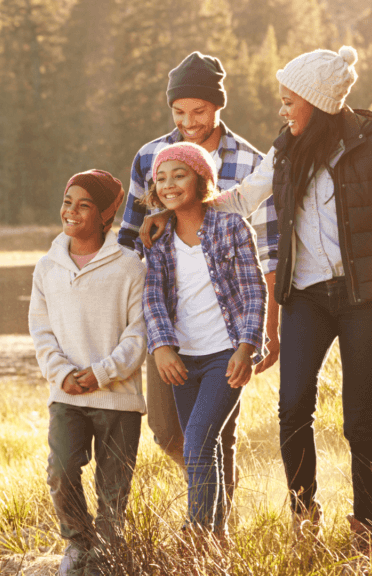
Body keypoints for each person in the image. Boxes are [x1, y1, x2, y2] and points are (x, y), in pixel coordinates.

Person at [141, 46, 372, 556]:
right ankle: (304, 510)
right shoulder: (286, 150)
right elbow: (244, 196)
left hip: (363, 298)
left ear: (316, 101)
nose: (283, 110)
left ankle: (367, 522)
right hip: (306, 296)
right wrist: (177, 210)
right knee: (292, 410)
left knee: (359, 418)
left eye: (290, 100)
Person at [118, 51, 282, 513]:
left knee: (213, 432)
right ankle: (212, 502)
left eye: (199, 111)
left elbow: (268, 250)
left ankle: (210, 530)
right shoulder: (150, 156)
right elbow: (130, 239)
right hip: (171, 323)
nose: (189, 121)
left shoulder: (249, 161)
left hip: (228, 325)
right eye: (179, 112)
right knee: (171, 432)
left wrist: (266, 331)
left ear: (218, 107)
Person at [142, 142, 267, 546]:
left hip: (224, 356)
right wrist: (161, 346)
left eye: (179, 175)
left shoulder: (231, 227)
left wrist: (247, 347)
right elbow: (154, 298)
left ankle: (195, 531)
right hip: (182, 360)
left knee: (198, 439)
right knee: (204, 443)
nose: (168, 185)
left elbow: (254, 292)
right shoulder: (158, 240)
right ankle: (216, 537)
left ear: (202, 180)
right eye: (161, 178)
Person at [29, 169, 148, 576]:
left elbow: (138, 336)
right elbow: (40, 329)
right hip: (67, 395)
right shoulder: (47, 267)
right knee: (61, 470)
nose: (72, 212)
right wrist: (62, 374)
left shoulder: (130, 267)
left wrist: (100, 373)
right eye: (67, 202)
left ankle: (108, 557)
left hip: (117, 397)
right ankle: (78, 545)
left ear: (104, 215)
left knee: (114, 488)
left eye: (84, 205)